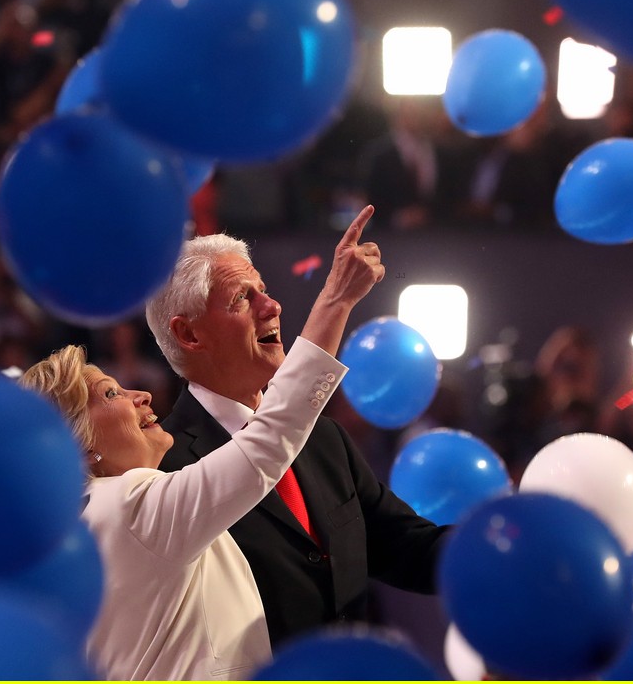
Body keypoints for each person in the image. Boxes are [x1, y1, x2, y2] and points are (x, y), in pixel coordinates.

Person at [19, 207, 384, 679]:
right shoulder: (130, 508)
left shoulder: (79, 527)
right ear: (80, 447)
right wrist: (335, 300)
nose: (140, 393)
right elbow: (269, 441)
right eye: (110, 394)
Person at [146, 206, 450, 649]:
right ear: (189, 335)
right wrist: (335, 299)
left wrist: (501, 551)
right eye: (241, 298)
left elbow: (407, 547)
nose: (272, 306)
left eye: (263, 290)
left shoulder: (324, 439)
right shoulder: (166, 466)